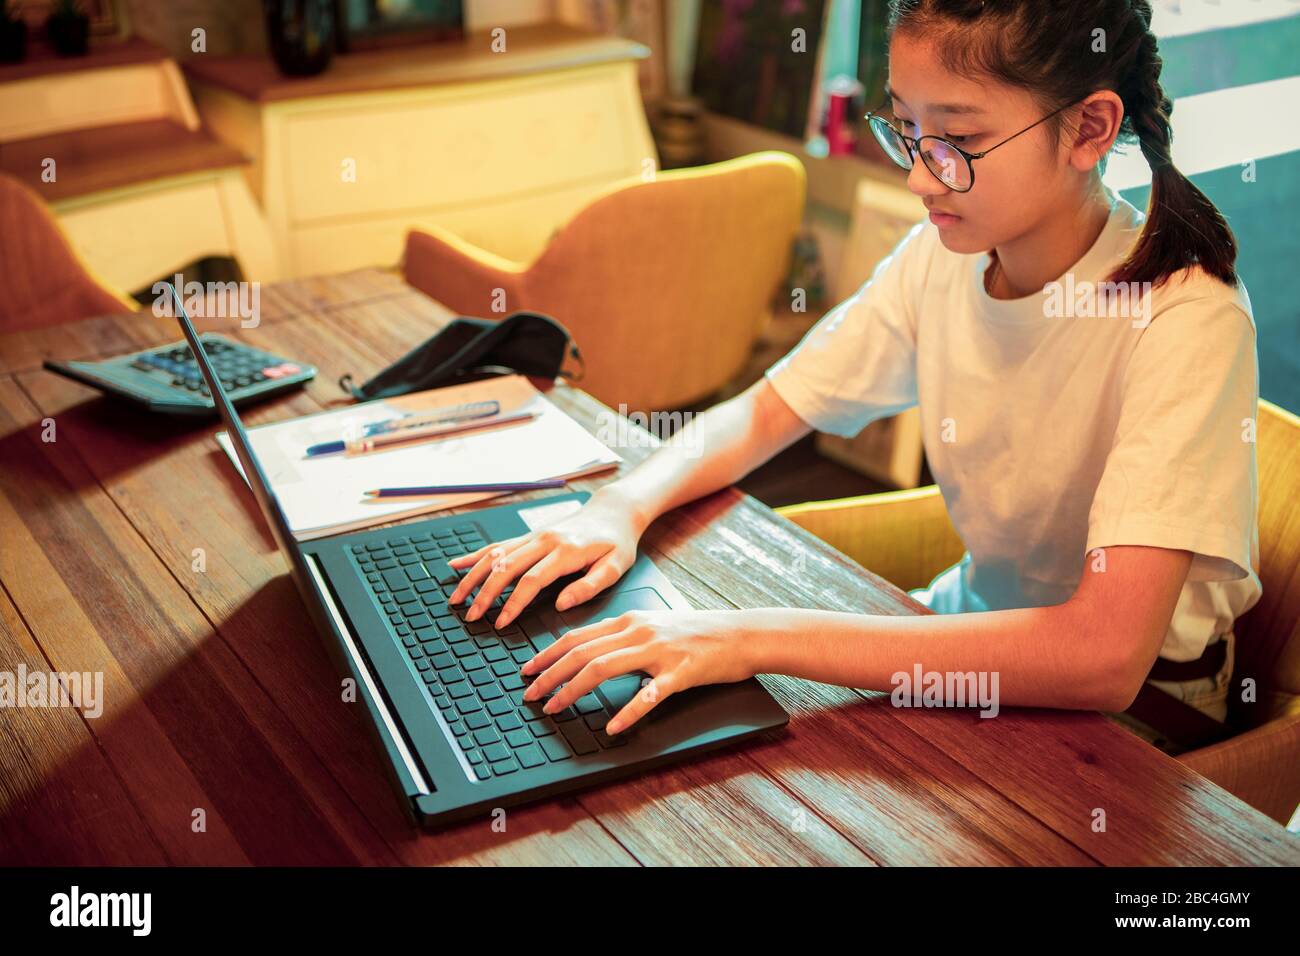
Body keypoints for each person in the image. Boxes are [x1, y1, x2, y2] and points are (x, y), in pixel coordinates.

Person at [447, 0, 1260, 749]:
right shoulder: (944, 260)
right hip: (966, 632)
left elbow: (1103, 658)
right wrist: (620, 507)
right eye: (906, 129)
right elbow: (769, 410)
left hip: (1132, 718)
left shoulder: (1185, 317)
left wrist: (750, 636)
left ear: (1089, 129)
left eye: (960, 142)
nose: (917, 177)